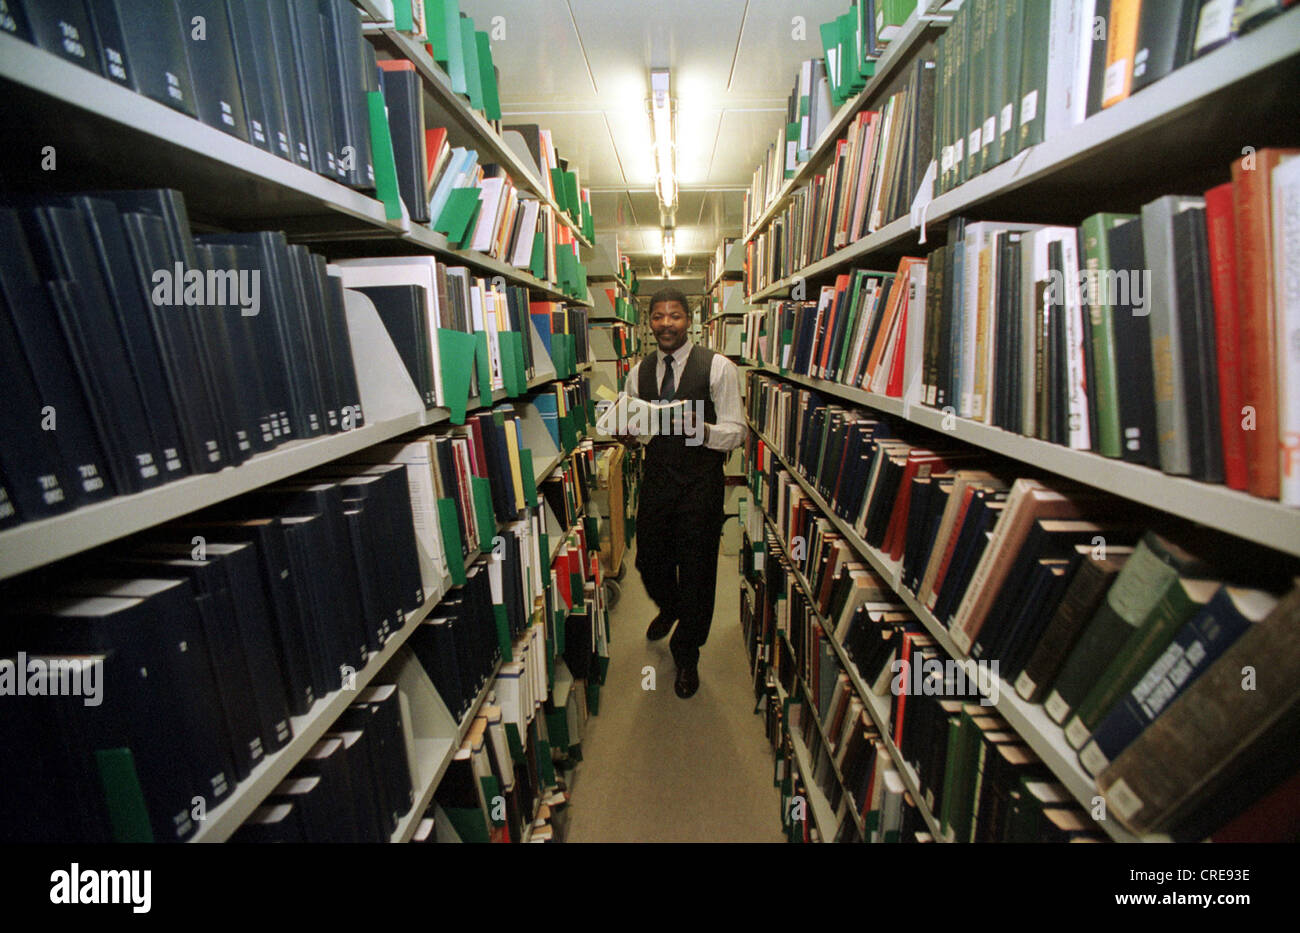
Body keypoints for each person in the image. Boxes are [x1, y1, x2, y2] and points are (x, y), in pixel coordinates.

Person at [614, 286, 745, 698]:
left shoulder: (718, 368)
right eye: (657, 317)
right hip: (656, 479)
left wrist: (700, 430)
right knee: (649, 562)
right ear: (648, 322)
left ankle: (686, 652)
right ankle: (670, 607)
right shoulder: (638, 372)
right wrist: (628, 434)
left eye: (674, 316)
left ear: (689, 320)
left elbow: (737, 432)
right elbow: (637, 423)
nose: (665, 324)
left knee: (697, 572)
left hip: (700, 484)